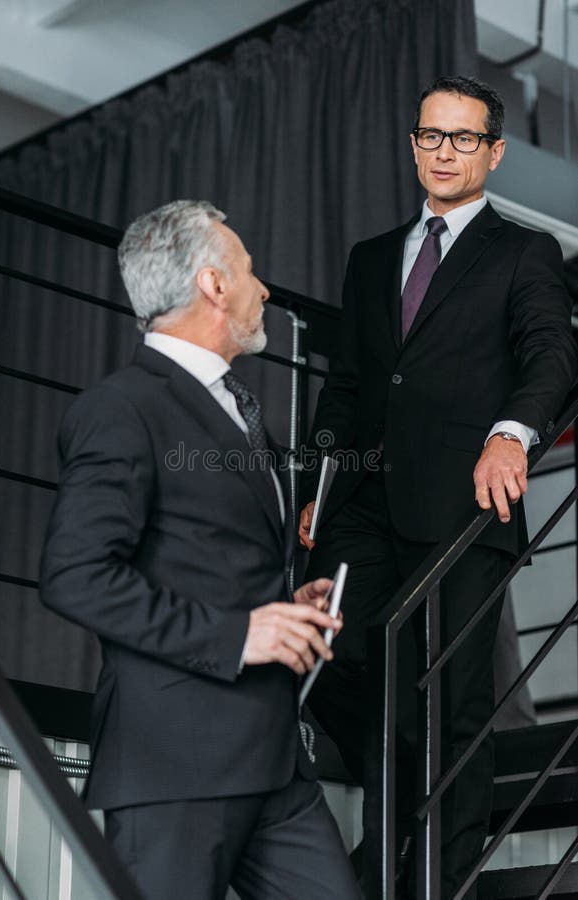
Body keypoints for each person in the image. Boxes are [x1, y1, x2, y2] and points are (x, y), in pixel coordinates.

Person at [298, 75, 577, 899]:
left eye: (462, 138)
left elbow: (552, 357)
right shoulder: (371, 257)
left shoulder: (524, 251)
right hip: (365, 500)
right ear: (412, 142)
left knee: (452, 704)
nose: (442, 152)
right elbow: (348, 385)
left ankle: (430, 876)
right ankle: (398, 827)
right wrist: (325, 477)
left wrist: (508, 435)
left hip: (465, 502)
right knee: (335, 658)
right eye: (429, 135)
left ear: (492, 151)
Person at [40, 200, 362, 900]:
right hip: (175, 765)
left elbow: (210, 559)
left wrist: (284, 606)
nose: (264, 289)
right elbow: (74, 575)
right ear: (214, 285)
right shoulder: (121, 408)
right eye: (248, 270)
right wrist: (241, 633)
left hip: (275, 764)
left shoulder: (235, 408)